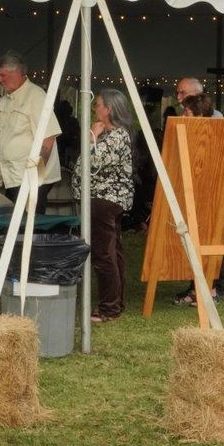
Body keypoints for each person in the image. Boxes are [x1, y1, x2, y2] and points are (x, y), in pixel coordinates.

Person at [0, 53, 61, 201]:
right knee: (12, 215)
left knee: (30, 216)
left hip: (31, 179)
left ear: (16, 72)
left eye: (2, 75)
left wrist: (35, 177)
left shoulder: (36, 96)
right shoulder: (3, 101)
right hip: (11, 178)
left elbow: (48, 139)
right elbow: (1, 137)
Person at [86, 90, 137, 321]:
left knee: (104, 254)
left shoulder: (117, 135)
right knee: (113, 252)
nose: (94, 109)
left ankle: (109, 308)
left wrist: (92, 138)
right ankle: (115, 303)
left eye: (97, 105)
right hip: (105, 198)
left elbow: (94, 163)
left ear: (108, 109)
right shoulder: (112, 134)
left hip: (105, 198)